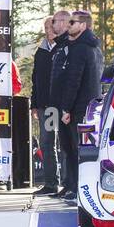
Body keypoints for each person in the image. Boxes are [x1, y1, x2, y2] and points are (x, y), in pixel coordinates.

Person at [50, 9, 102, 203]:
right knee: (69, 148)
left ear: (83, 25)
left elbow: (75, 79)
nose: (68, 25)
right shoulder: (78, 45)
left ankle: (79, 187)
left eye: (72, 22)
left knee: (78, 149)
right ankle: (71, 185)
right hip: (77, 106)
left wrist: (66, 108)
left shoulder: (83, 47)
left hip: (79, 108)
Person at [31, 11, 69, 196]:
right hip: (46, 108)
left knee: (66, 143)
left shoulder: (64, 49)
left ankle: (69, 184)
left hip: (61, 106)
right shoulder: (41, 52)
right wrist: (34, 105)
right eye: (45, 28)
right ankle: (51, 183)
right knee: (47, 143)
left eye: (50, 26)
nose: (48, 30)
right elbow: (35, 79)